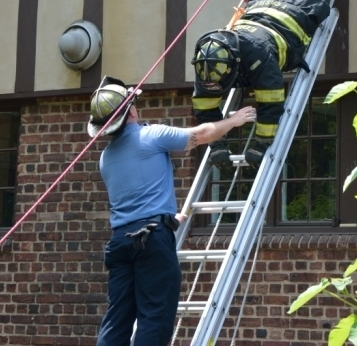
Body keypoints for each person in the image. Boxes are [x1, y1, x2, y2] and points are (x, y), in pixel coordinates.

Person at [90, 77, 255, 346]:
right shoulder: (150, 135)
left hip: (121, 243)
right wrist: (233, 120)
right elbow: (200, 135)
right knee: (154, 317)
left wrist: (169, 220)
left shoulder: (105, 158)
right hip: (152, 241)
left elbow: (134, 201)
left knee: (117, 318)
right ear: (131, 110)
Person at [190, 0, 343, 168]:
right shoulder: (210, 60)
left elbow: (271, 104)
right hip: (260, 8)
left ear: (235, 63)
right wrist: (216, 145)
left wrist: (260, 145)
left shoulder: (257, 57)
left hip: (291, 16)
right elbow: (205, 105)